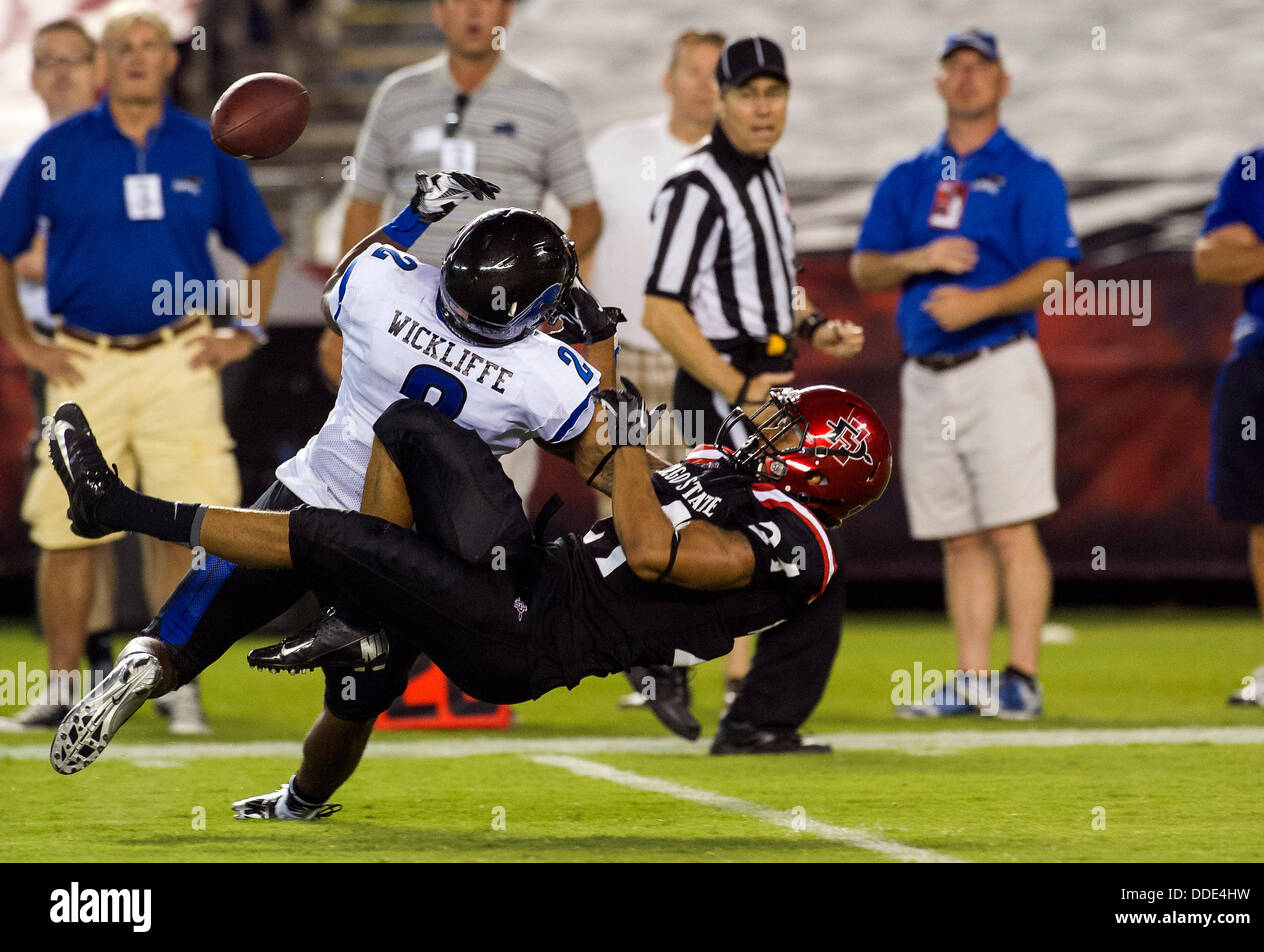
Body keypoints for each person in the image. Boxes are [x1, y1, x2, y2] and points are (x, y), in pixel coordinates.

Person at [48, 170, 626, 814]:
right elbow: (599, 443)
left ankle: (146, 659)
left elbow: (334, 295)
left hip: (305, 499)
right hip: (400, 557)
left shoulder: (384, 285)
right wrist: (599, 335)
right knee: (351, 708)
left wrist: (411, 219)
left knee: (181, 635)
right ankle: (300, 801)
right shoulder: (544, 374)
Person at [45, 378, 892, 816]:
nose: (765, 428)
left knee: (340, 536)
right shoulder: (737, 484)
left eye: (787, 428)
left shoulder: (801, 545)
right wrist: (602, 409)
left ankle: (113, 507)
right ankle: (332, 714)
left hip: (524, 640)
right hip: (527, 576)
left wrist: (627, 436)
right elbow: (625, 472)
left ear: (825, 463)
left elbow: (649, 544)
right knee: (410, 425)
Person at [0, 8, 283, 732]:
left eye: (147, 46)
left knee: (185, 522)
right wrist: (26, 341)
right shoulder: (58, 148)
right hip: (83, 361)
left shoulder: (207, 145)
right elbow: (4, 246)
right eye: (119, 47)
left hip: (178, 358)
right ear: (104, 64)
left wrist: (245, 330)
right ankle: (64, 688)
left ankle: (176, 683)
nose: (133, 57)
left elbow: (262, 248)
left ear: (169, 61)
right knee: (63, 531)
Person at [641, 35, 864, 752]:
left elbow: (769, 288)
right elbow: (661, 311)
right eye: (749, 94)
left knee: (784, 548)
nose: (764, 107)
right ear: (721, 100)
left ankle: (742, 705)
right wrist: (738, 387)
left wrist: (813, 326)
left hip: (763, 385)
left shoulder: (765, 178)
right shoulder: (695, 186)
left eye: (776, 93)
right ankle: (675, 659)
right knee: (795, 546)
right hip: (725, 390)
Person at [849, 29, 1079, 718]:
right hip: (928, 374)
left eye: (981, 68)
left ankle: (1023, 677)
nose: (968, 78)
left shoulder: (1029, 172)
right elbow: (867, 266)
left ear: (1003, 82)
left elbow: (1054, 270)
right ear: (940, 82)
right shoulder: (912, 174)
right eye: (956, 67)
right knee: (959, 535)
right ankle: (975, 679)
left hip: (997, 363)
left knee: (1011, 527)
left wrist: (982, 300)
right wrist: (919, 259)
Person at [319, 0, 602, 505]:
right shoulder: (397, 95)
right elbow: (361, 205)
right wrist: (339, 317)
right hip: (401, 318)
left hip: (501, 337)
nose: (473, 10)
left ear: (508, 12)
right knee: (358, 496)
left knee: (480, 515)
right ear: (436, 11)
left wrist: (545, 290)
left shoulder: (545, 101)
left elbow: (587, 214)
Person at [582, 29, 743, 719]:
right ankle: (646, 660)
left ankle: (732, 671)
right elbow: (576, 240)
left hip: (704, 363)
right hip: (626, 359)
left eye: (718, 75)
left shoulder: (745, 165)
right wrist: (584, 346)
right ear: (668, 79)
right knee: (626, 506)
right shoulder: (619, 148)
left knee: (720, 508)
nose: (705, 86)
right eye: (695, 72)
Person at [0, 19, 117, 719]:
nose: (63, 73)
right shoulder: (21, 156)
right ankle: (83, 663)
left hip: (117, 340)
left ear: (96, 69)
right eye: (50, 62)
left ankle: (162, 670)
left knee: (117, 500)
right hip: (41, 345)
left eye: (75, 60)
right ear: (34, 74)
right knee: (63, 508)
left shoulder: (127, 146)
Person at [1194, 43, 1264, 706]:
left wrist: (1255, 257)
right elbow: (1209, 259)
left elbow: (1236, 255)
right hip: (1261, 356)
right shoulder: (1255, 167)